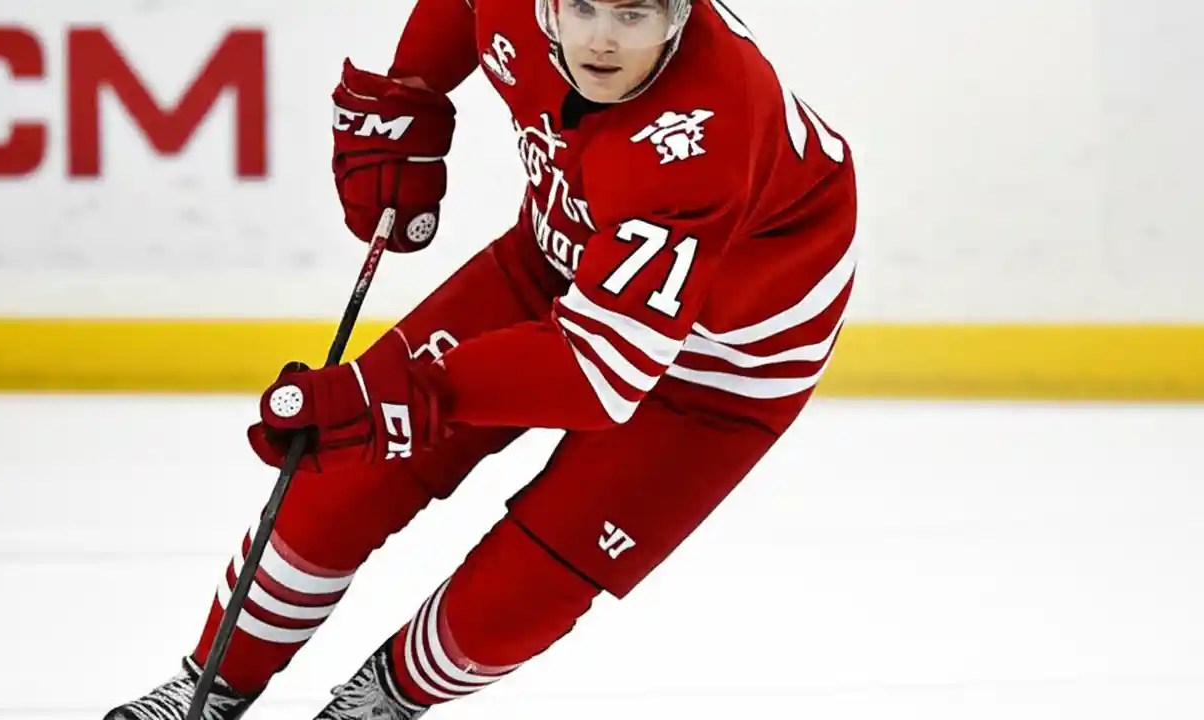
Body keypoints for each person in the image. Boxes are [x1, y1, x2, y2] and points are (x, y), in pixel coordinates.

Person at [105, 0, 856, 717]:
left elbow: (599, 373)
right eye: (583, 8)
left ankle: (384, 701)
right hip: (557, 258)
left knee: (521, 590)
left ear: (682, 14)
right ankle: (206, 689)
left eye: (634, 15)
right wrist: (413, 87)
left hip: (724, 363)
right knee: (339, 482)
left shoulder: (707, 131)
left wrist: (399, 395)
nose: (601, 40)